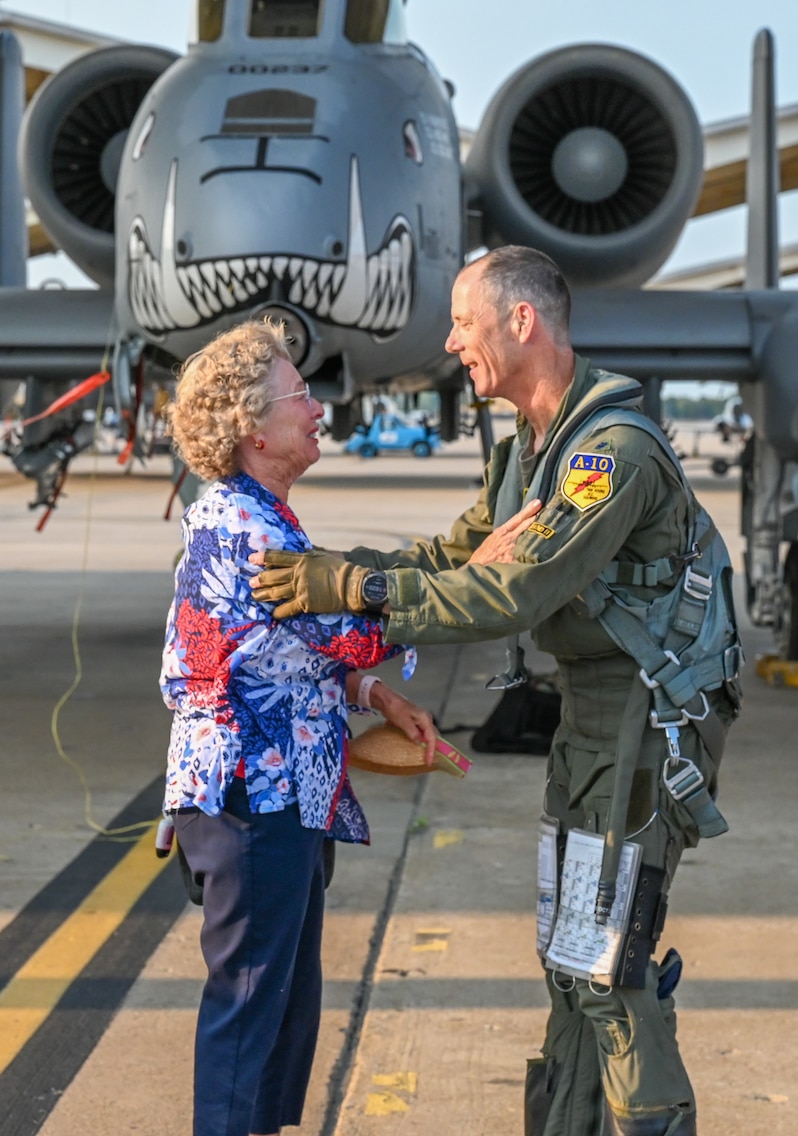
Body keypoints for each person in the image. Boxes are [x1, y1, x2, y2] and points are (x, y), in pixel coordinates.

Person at [249, 246, 742, 1136]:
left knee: (609, 965)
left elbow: (514, 589)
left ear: (524, 322)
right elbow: (457, 555)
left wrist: (354, 593)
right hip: (594, 714)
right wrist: (343, 571)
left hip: (647, 718)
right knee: (571, 954)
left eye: (464, 324)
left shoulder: (610, 455)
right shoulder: (532, 451)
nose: (450, 341)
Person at [159, 319, 438, 1136]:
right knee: (249, 1015)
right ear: (254, 428)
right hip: (257, 805)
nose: (319, 407)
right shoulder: (248, 531)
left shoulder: (254, 515)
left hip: (272, 800)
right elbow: (355, 629)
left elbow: (279, 653)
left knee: (279, 1011)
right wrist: (483, 571)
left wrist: (376, 697)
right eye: (300, 394)